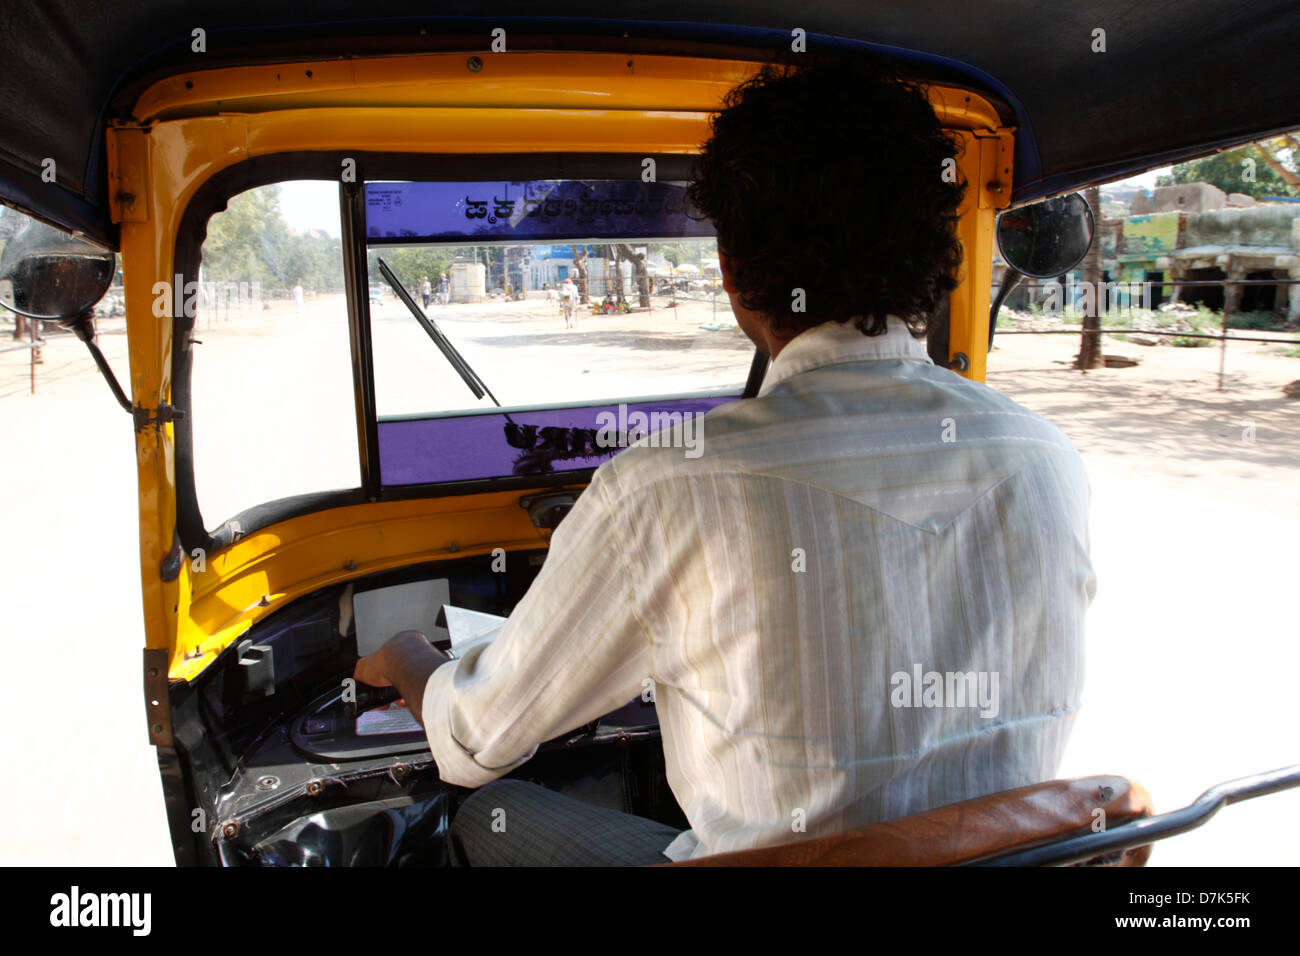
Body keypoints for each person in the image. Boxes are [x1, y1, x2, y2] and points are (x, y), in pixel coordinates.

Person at [354, 59, 1093, 865]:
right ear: (940, 253)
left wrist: (408, 656)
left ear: (734, 273)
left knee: (485, 809)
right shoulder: (1046, 460)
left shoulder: (665, 489)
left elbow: (478, 737)